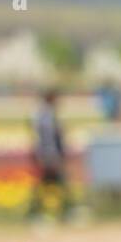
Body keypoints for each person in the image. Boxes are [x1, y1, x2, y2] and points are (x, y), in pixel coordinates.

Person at [28, 88, 73, 220]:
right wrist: (50, 156)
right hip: (49, 155)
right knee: (55, 183)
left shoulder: (43, 113)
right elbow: (47, 138)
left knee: (49, 183)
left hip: (48, 155)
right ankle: (63, 211)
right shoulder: (44, 115)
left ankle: (38, 211)